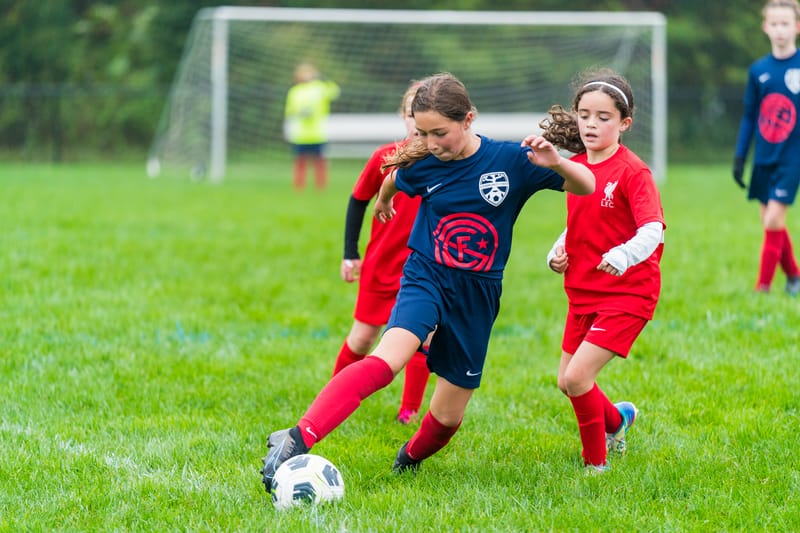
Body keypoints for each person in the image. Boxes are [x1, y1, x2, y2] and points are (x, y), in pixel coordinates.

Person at [259, 72, 595, 492]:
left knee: (448, 417)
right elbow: (394, 180)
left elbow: (586, 186)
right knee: (385, 361)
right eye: (422, 133)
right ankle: (296, 437)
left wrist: (558, 162)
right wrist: (384, 202)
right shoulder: (423, 162)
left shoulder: (511, 161)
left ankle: (408, 459)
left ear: (468, 118)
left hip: (478, 293)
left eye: (441, 133)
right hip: (425, 276)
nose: (433, 143)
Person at [539, 68, 665, 473]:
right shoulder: (575, 167)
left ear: (624, 123)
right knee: (567, 381)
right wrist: (557, 251)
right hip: (583, 291)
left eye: (603, 117)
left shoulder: (633, 172)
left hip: (628, 294)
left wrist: (624, 255)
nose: (591, 124)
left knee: (577, 380)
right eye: (585, 114)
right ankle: (618, 420)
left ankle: (596, 464)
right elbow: (580, 220)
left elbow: (653, 230)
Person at [335, 82, 432, 425]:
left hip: (425, 269)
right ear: (403, 117)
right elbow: (358, 199)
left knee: (424, 339)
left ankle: (409, 411)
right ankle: (336, 394)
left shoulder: (446, 161)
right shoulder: (385, 157)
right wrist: (351, 252)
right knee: (363, 338)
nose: (416, 124)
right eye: (411, 115)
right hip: (381, 266)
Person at [733, 0, 800, 295]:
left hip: (793, 156)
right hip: (764, 155)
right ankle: (795, 277)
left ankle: (762, 289)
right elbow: (749, 116)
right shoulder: (758, 70)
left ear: (797, 27)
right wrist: (739, 156)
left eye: (786, 23)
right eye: (774, 24)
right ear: (765, 27)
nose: (780, 30)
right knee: (769, 221)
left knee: (774, 218)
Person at [283, 62, 340, 191]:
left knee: (319, 161)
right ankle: (299, 187)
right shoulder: (295, 91)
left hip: (317, 133)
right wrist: (300, 113)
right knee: (300, 162)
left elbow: (335, 91)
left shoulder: (320, 87)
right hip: (301, 134)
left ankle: (321, 187)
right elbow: (289, 111)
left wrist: (324, 78)